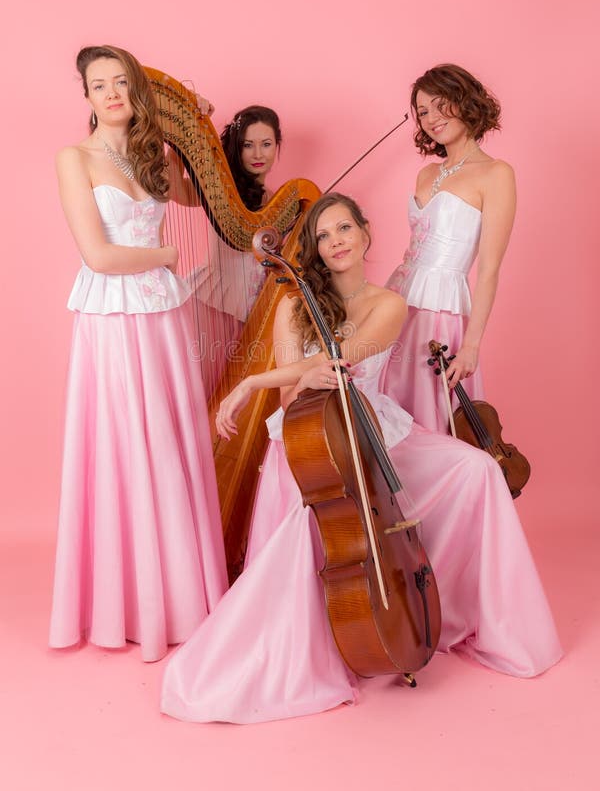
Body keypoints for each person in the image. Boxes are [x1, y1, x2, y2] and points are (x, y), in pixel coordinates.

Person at [160, 193, 561, 724]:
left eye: (344, 228)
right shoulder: (292, 305)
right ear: (316, 250)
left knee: (477, 469)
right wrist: (297, 380)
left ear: (366, 234)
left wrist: (256, 378)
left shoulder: (387, 303)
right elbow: (288, 403)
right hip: (313, 436)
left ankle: (460, 612)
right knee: (319, 516)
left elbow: (351, 357)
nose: (336, 242)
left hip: (374, 428)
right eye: (323, 237)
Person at [49, 45, 228, 663]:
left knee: (169, 441)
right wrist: (166, 257)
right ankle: (129, 603)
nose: (112, 93)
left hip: (161, 317)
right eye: (99, 85)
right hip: (114, 318)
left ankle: (181, 595)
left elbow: (198, 200)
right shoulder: (73, 159)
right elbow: (98, 256)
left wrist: (194, 127)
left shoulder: (152, 157)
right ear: (87, 97)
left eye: (122, 82)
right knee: (127, 445)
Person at [384, 64, 515, 433]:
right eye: (423, 112)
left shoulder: (496, 173)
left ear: (465, 101)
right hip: (396, 300)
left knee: (430, 415)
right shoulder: (425, 174)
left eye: (440, 105)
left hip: (440, 310)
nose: (431, 118)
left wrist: (472, 345)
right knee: (386, 408)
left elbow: (489, 269)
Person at [186, 105, 282, 394]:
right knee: (200, 392)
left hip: (254, 315)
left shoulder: (280, 201)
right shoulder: (222, 190)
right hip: (213, 307)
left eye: (266, 144)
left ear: (277, 145)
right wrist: (178, 148)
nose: (258, 154)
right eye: (248, 145)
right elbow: (175, 191)